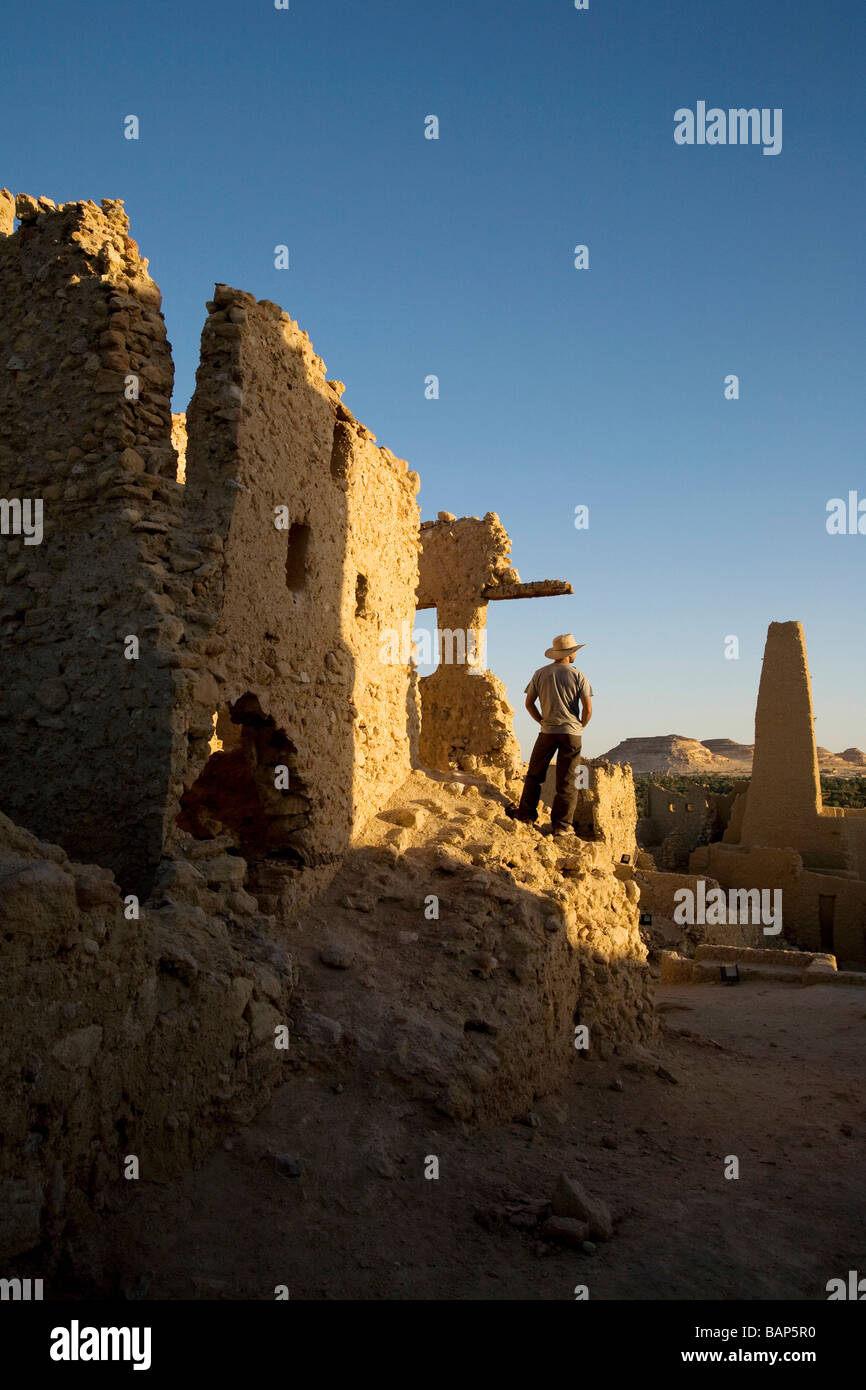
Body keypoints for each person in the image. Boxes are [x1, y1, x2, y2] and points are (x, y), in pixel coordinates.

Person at [506, 633, 593, 835]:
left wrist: (541, 720)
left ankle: (526, 815)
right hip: (571, 733)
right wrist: (580, 726)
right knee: (567, 781)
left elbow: (528, 704)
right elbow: (588, 709)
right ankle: (562, 827)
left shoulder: (540, 673)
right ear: (570, 654)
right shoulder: (579, 676)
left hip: (547, 731)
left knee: (535, 774)